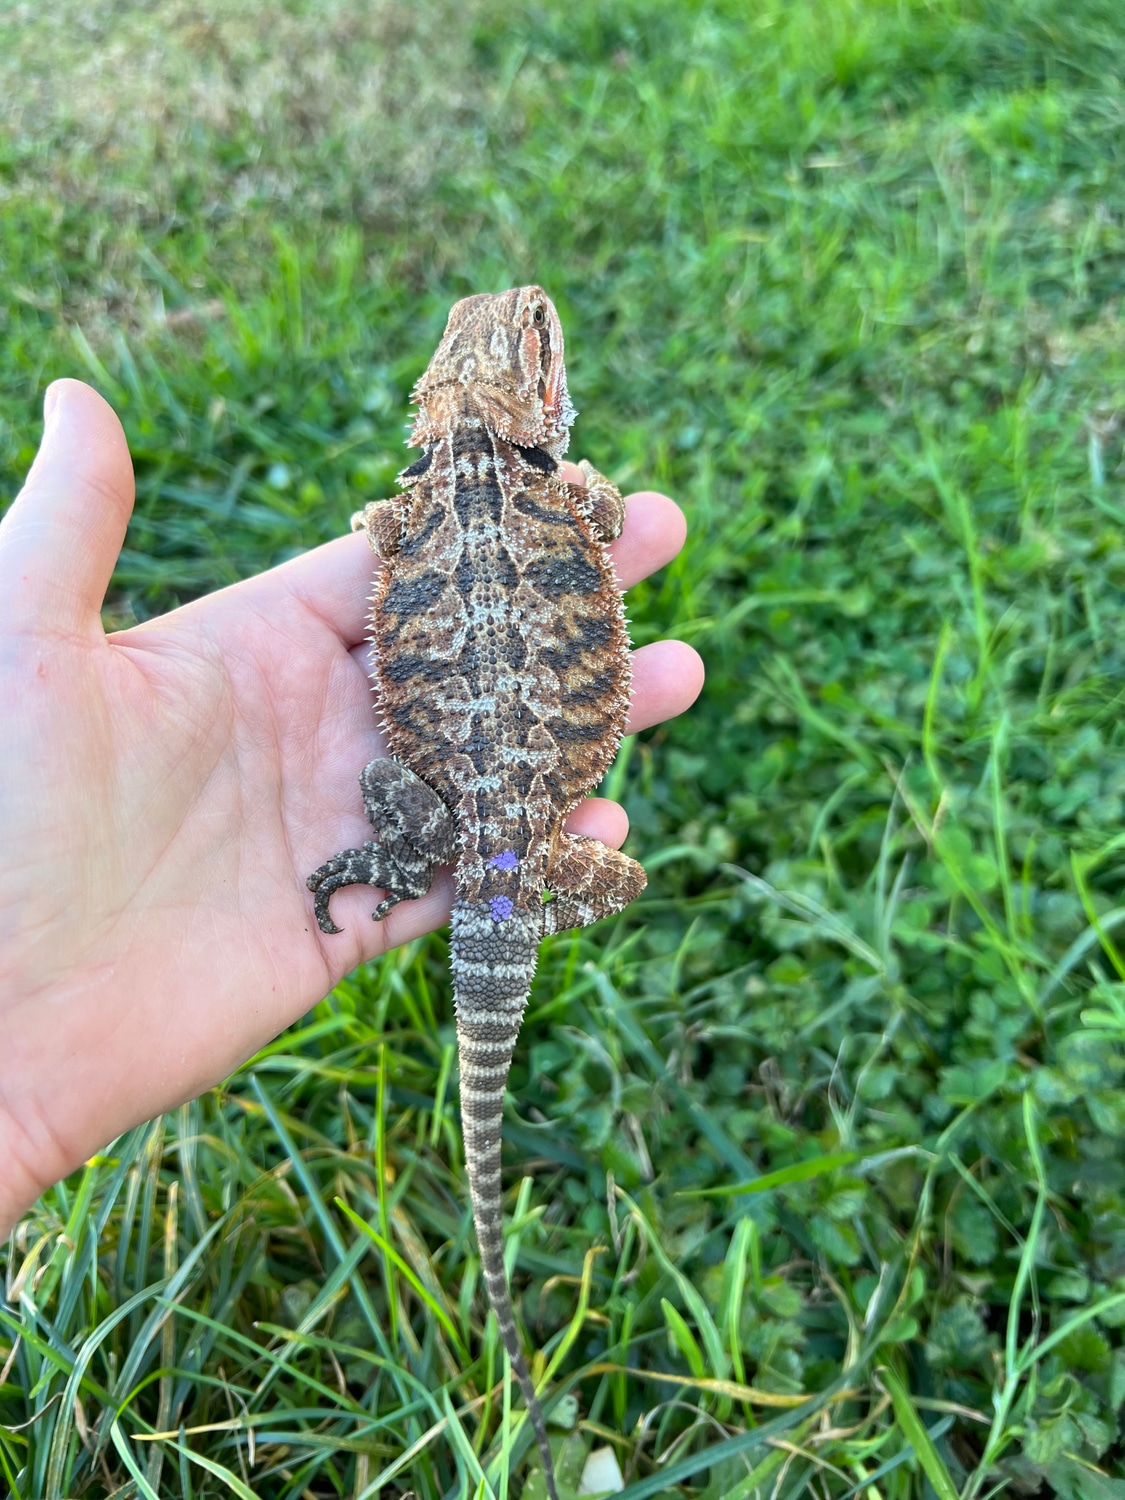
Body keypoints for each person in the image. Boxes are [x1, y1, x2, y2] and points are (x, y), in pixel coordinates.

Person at [0, 379, 704, 1236]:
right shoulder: (570, 499)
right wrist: (508, 885)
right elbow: (605, 508)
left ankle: (417, 868)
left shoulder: (407, 517)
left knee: (412, 801)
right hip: (526, 802)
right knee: (614, 874)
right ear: (539, 400)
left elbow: (376, 527)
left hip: (455, 812)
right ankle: (489, 884)